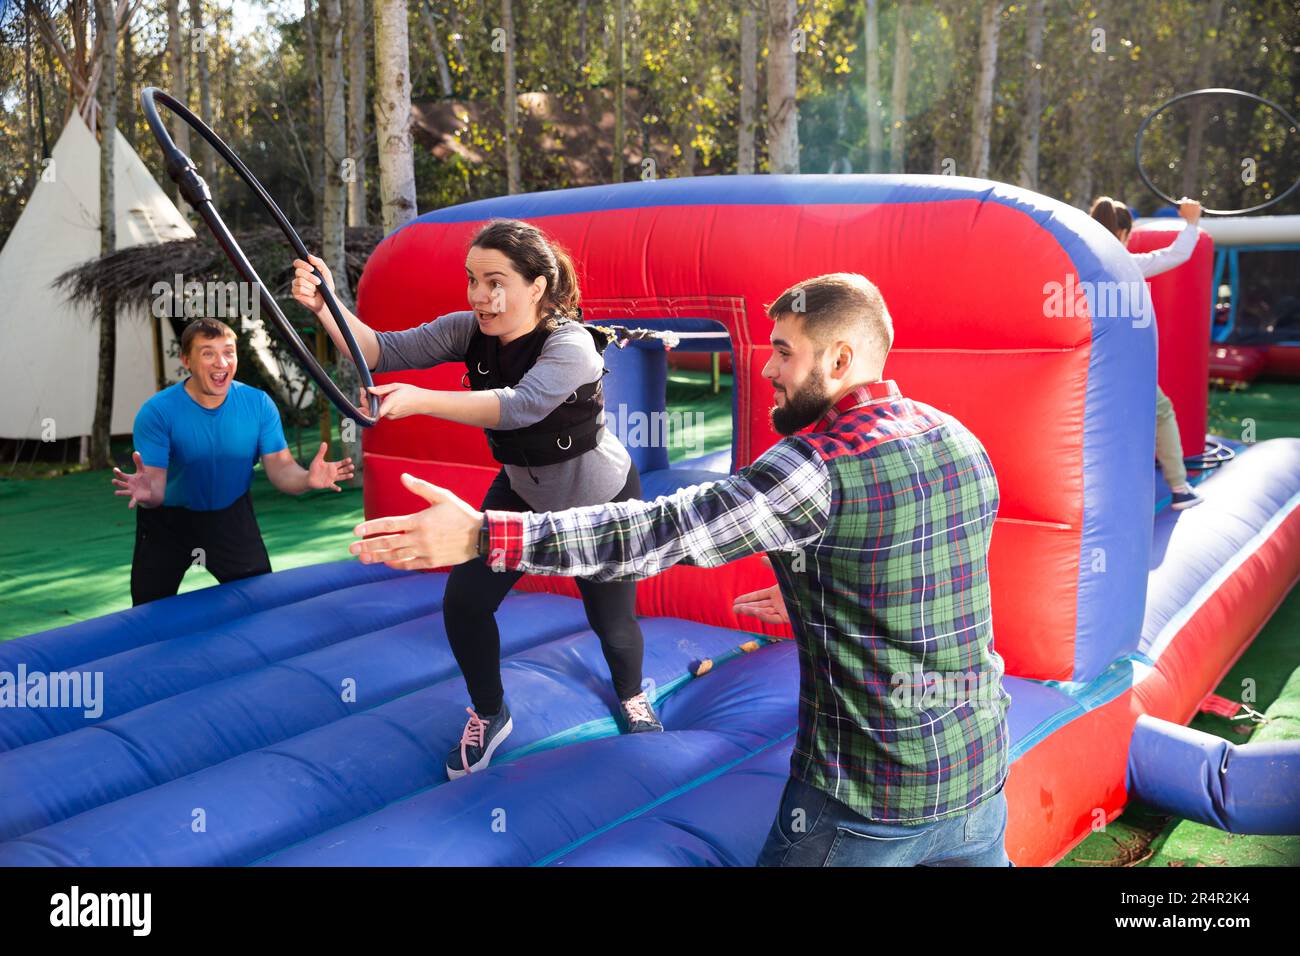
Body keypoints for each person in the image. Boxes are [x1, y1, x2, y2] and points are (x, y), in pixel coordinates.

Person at [348, 272, 1014, 867]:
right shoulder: (955, 436)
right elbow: (941, 567)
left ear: (840, 359)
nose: (769, 371)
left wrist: (484, 534)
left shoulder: (814, 466)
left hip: (867, 801)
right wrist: (824, 588)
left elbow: (654, 533)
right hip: (979, 775)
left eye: (785, 352)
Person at [291, 218, 661, 782]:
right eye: (472, 280)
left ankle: (633, 696)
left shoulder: (572, 344)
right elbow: (380, 350)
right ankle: (491, 713)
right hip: (521, 488)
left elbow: (520, 406)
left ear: (536, 286)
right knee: (464, 603)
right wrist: (326, 306)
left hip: (598, 498)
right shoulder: (469, 330)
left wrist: (420, 400)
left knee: (610, 621)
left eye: (496, 282)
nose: (481, 297)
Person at [112, 318, 354, 606]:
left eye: (228, 351)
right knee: (148, 611)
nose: (221, 362)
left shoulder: (258, 404)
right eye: (208, 353)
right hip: (167, 523)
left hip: (230, 517)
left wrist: (306, 479)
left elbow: (281, 469)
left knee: (258, 606)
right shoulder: (158, 412)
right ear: (186, 360)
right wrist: (146, 493)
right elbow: (156, 489)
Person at [1091, 195, 1204, 509]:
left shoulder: (1078, 266)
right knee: (1161, 411)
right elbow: (1177, 253)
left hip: (1087, 366)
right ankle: (1180, 487)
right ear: (1123, 234)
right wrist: (1192, 222)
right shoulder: (1129, 265)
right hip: (1122, 366)